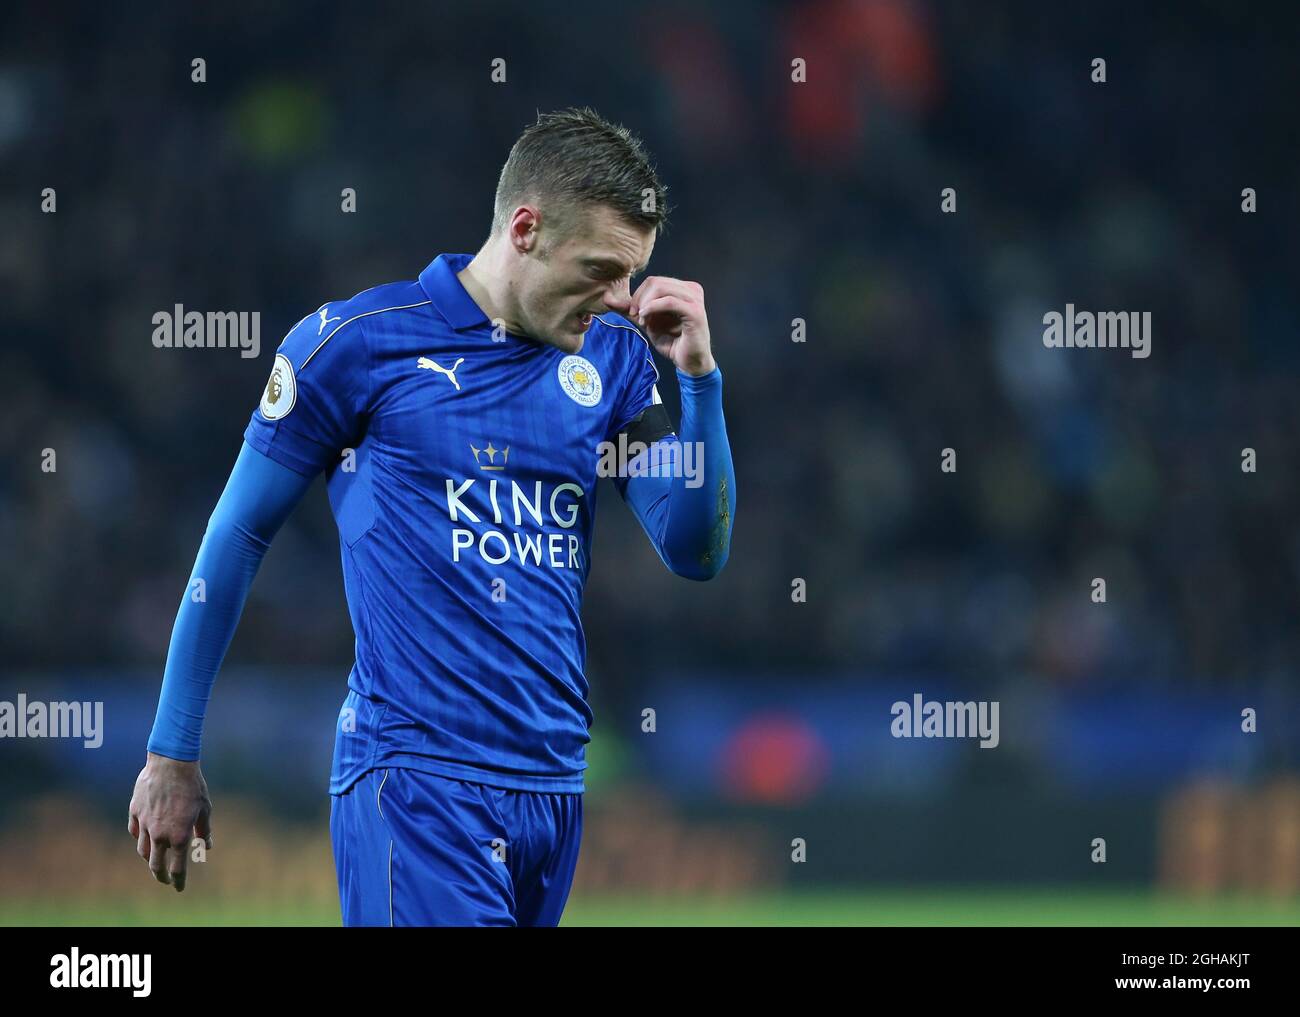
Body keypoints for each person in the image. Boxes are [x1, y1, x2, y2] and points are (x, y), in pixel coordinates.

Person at [128, 107, 736, 925]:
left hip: (553, 791)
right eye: (600, 269)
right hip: (417, 782)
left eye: (630, 274)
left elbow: (694, 546)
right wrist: (173, 747)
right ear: (526, 228)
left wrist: (698, 379)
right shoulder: (357, 344)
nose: (619, 298)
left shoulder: (615, 361)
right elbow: (236, 534)